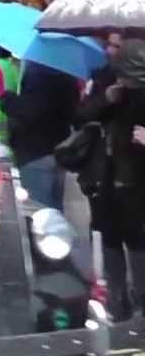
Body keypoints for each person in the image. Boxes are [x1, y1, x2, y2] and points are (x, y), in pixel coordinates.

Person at [76, 35, 145, 320]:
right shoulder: (106, 81)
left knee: (139, 240)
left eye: (117, 47)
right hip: (105, 175)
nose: (109, 51)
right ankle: (117, 304)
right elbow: (81, 116)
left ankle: (141, 301)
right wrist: (105, 99)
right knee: (110, 237)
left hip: (137, 178)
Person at [2, 61, 82, 210]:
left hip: (35, 152)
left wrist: (9, 101)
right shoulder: (67, 72)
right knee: (55, 210)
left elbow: (31, 111)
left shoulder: (37, 73)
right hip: (59, 148)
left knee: (40, 212)